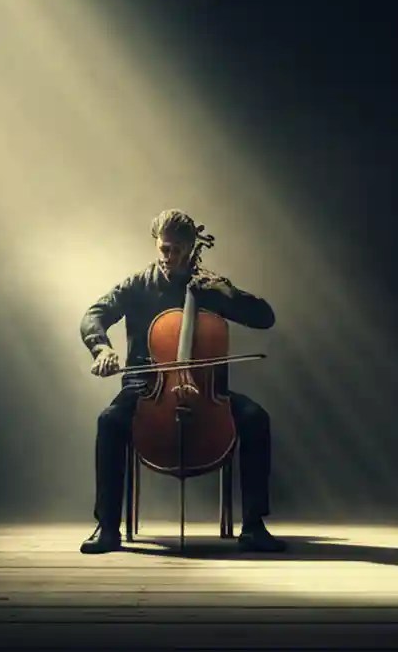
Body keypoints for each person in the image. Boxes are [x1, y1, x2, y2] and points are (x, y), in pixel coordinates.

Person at [78, 209, 287, 554]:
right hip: (146, 387)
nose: (169, 257)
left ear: (191, 249)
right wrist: (101, 347)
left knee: (255, 418)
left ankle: (253, 526)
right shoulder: (137, 285)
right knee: (110, 421)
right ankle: (107, 527)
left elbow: (265, 317)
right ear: (156, 245)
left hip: (206, 389)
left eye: (178, 250)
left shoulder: (209, 287)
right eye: (164, 249)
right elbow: (94, 314)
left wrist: (228, 292)